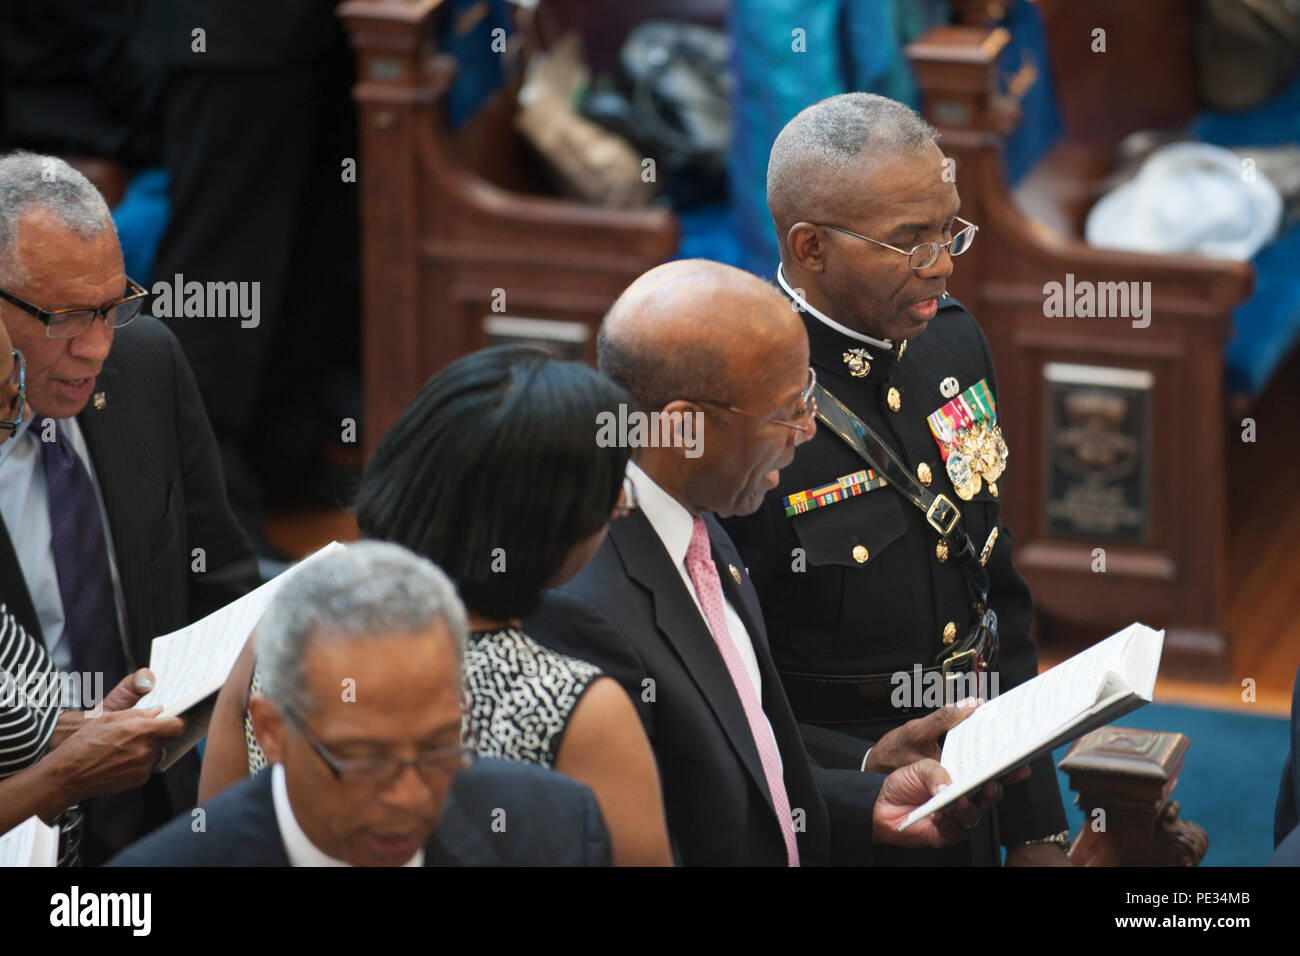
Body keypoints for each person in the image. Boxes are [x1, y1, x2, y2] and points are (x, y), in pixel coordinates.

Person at [527, 258, 1019, 866]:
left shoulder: (705, 524)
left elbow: (743, 754)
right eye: (786, 410)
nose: (807, 429)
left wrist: (866, 780)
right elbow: (666, 833)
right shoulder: (587, 606)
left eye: (809, 396)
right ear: (685, 430)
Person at [717, 92, 1070, 865]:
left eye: (950, 229)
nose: (941, 263)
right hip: (839, 817)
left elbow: (994, 593)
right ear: (810, 248)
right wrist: (857, 777)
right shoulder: (745, 411)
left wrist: (1038, 824)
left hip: (976, 782)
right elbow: (718, 686)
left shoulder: (951, 342)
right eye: (910, 240)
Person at [203, 347, 673, 865]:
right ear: (556, 526)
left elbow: (221, 837)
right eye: (613, 501)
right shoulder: (579, 707)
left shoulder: (282, 631)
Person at [0, 152, 260, 863]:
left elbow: (221, 578)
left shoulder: (147, 362)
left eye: (113, 307)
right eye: (64, 318)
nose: (96, 348)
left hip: (165, 808)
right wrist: (63, 767)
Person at [110, 541, 611, 866]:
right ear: (271, 732)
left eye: (438, 748)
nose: (409, 797)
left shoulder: (556, 831)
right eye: (364, 760)